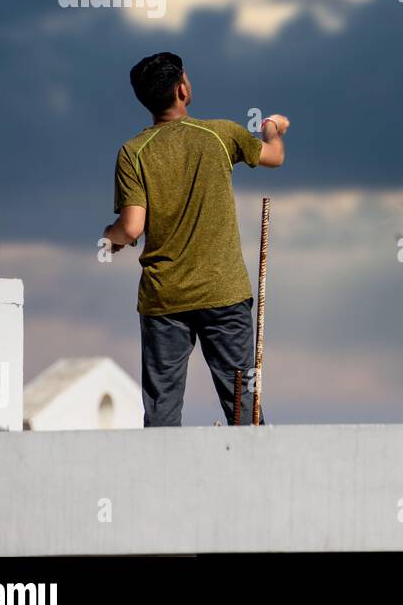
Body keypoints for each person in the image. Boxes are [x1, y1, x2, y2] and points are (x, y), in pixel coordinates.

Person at [102, 52, 290, 426]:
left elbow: (132, 227)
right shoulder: (220, 134)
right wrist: (271, 127)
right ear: (182, 89)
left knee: (162, 408)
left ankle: (162, 482)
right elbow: (274, 157)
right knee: (242, 402)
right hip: (224, 293)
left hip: (164, 298)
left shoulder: (133, 153)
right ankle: (255, 478)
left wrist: (110, 237)